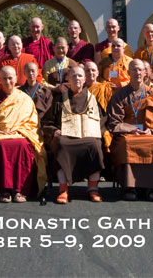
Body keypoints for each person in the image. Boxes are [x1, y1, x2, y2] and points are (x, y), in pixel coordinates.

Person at [106, 59, 153, 201]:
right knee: (126, 144)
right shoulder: (120, 95)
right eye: (134, 69)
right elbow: (114, 122)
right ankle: (130, 187)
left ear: (145, 72)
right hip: (128, 133)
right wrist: (131, 129)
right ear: (128, 72)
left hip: (150, 132)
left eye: (140, 69)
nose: (137, 73)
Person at [39, 67, 105, 204]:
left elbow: (103, 121)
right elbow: (46, 121)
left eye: (80, 76)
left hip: (88, 137)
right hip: (67, 137)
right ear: (68, 79)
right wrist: (55, 131)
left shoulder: (92, 99)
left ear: (85, 79)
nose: (77, 79)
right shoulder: (60, 100)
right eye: (73, 76)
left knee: (96, 145)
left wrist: (98, 132)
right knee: (62, 145)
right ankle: (63, 190)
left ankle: (93, 188)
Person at [0, 66, 47, 203]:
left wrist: (19, 131)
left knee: (23, 145)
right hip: (0, 136)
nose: (7, 81)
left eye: (10, 78)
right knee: (1, 146)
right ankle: (4, 191)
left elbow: (32, 123)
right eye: (4, 78)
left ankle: (21, 190)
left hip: (20, 134)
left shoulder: (24, 98)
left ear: (16, 78)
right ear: (0, 80)